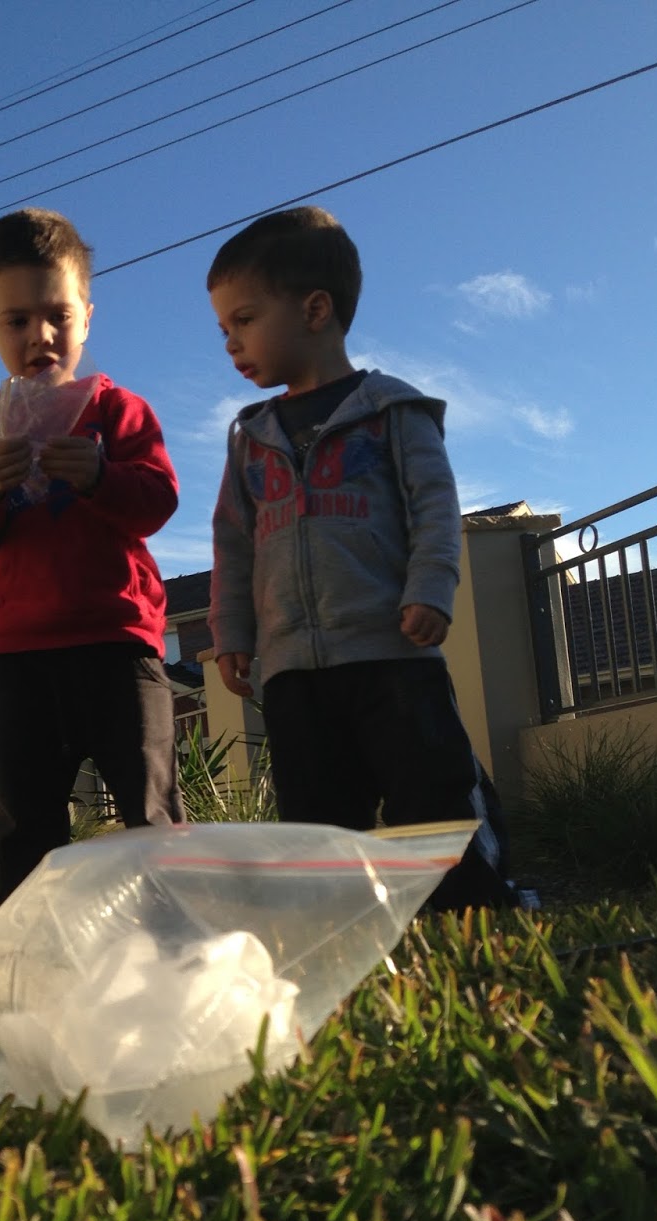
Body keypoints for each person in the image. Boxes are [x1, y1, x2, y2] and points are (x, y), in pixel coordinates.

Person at [206, 206, 515, 909]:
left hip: (391, 655)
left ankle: (470, 910)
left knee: (432, 799)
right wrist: (232, 634)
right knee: (316, 820)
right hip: (293, 672)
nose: (231, 342)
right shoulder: (249, 438)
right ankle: (337, 928)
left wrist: (431, 587)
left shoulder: (392, 412)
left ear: (315, 309)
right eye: (224, 328)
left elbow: (434, 506)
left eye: (245, 320)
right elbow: (232, 541)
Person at [0, 208, 184, 907]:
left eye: (59, 316)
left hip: (118, 648)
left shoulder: (119, 412)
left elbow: (158, 501)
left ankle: (175, 943)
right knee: (26, 828)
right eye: (17, 320)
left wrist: (102, 475)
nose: (40, 336)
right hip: (20, 661)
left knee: (152, 812)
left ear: (87, 317)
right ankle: (23, 966)